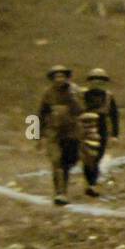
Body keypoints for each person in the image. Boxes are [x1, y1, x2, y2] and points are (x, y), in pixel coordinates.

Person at [37, 65, 83, 205]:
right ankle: (60, 193)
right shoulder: (48, 94)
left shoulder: (75, 91)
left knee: (70, 161)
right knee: (57, 162)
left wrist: (72, 98)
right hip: (54, 133)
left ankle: (63, 189)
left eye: (62, 76)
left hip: (71, 133)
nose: (59, 79)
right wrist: (36, 137)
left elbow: (81, 110)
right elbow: (40, 114)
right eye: (56, 77)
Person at [79, 68, 120, 197]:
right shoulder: (81, 95)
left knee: (98, 156)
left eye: (100, 80)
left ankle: (91, 183)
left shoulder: (108, 97)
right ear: (89, 82)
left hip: (101, 128)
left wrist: (114, 135)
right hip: (85, 127)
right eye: (94, 79)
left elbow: (114, 116)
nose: (97, 83)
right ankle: (90, 183)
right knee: (88, 157)